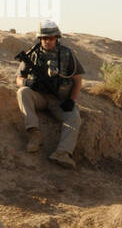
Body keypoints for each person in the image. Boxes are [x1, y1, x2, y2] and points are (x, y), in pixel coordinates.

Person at [15, 19, 84, 169]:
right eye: (44, 38)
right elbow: (19, 78)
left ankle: (62, 153)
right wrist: (27, 83)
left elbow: (78, 80)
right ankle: (34, 133)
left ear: (56, 38)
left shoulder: (67, 54)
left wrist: (71, 100)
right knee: (23, 92)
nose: (47, 41)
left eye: (51, 38)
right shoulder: (32, 54)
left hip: (59, 100)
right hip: (39, 97)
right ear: (40, 39)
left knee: (74, 118)